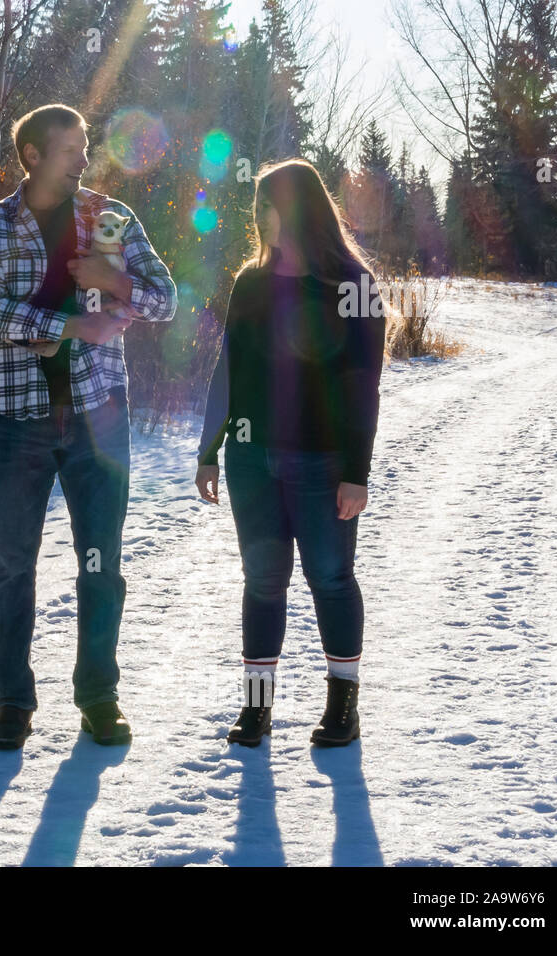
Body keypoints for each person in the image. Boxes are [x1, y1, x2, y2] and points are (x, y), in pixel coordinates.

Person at [0, 104, 178, 749]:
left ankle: (98, 698)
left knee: (101, 563)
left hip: (99, 419)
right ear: (32, 155)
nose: (85, 157)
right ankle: (13, 703)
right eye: (71, 148)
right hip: (16, 417)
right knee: (12, 564)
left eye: (86, 146)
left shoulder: (112, 218)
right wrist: (65, 326)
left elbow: (166, 299)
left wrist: (117, 281)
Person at [195, 158, 388, 748]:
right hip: (252, 461)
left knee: (330, 579)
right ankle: (257, 711)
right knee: (262, 581)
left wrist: (356, 473)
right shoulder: (250, 283)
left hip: (323, 463)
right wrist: (210, 448)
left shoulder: (355, 287)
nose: (258, 218)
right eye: (255, 207)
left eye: (267, 205)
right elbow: (227, 369)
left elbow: (364, 386)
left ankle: (342, 711)